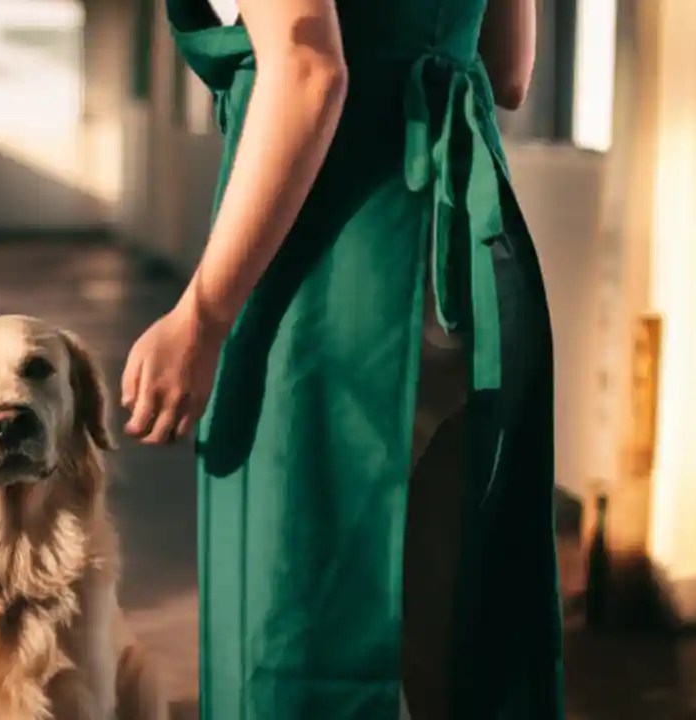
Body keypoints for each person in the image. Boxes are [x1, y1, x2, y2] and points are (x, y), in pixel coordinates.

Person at [121, 0, 560, 717]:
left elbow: (308, 68)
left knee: (299, 628)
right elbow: (509, 72)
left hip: (334, 276)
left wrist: (202, 313)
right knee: (457, 642)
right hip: (467, 258)